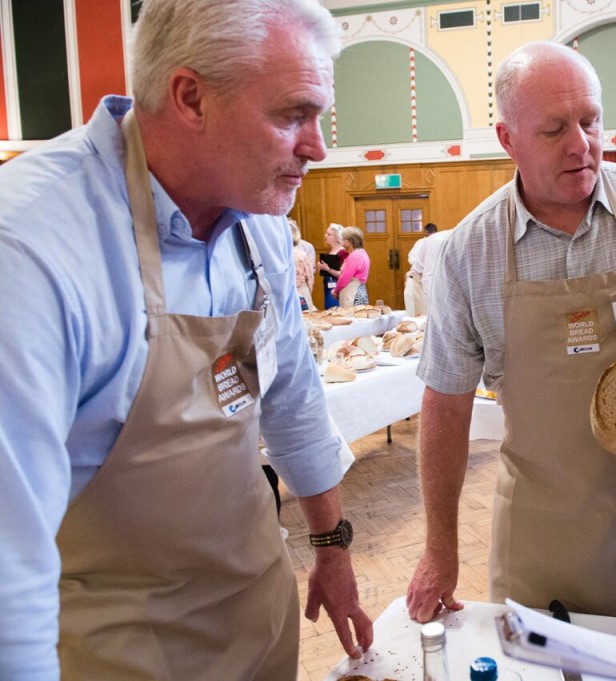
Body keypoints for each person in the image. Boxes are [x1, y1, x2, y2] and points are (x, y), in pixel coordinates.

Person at [0, 1, 374, 678]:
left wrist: (333, 546)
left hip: (258, 625)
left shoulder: (257, 218)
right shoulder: (32, 247)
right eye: (294, 114)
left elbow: (293, 398)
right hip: (123, 653)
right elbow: (7, 564)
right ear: (191, 97)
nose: (319, 147)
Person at [405, 41, 616, 622]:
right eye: (554, 129)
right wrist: (439, 549)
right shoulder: (471, 251)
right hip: (539, 528)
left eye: (590, 121)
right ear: (508, 140)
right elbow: (446, 404)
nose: (581, 145)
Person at [418, 222, 453, 314]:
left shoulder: (435, 239)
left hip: (432, 281)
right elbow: (423, 269)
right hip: (422, 280)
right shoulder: (434, 240)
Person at [404, 221, 437, 315]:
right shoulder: (421, 243)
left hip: (429, 281)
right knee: (417, 315)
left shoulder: (437, 242)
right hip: (417, 281)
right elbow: (412, 259)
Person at [333, 225, 370, 308]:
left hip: (352, 292)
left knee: (351, 317)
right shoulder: (363, 253)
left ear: (349, 241)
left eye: (344, 239)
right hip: (360, 290)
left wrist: (336, 290)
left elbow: (345, 277)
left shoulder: (354, 256)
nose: (342, 242)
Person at [318, 222, 347, 309]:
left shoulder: (343, 253)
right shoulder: (330, 251)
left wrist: (327, 269)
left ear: (337, 238)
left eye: (329, 234)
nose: (325, 235)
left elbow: (344, 274)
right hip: (328, 288)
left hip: (337, 291)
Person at [292, 219, 317, 311]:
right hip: (302, 289)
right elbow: (310, 277)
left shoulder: (279, 254)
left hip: (286, 291)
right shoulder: (301, 255)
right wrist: (309, 290)